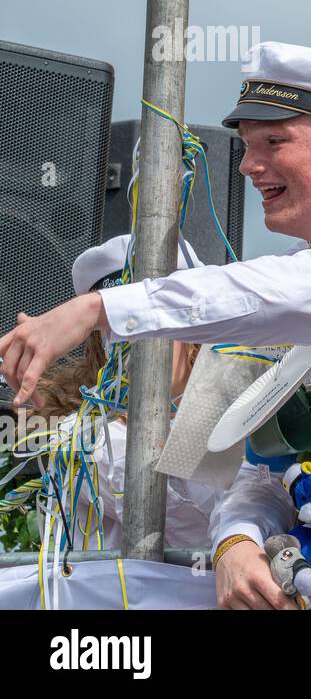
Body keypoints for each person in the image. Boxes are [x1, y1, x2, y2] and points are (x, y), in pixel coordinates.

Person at [0, 41, 311, 608]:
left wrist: (96, 309)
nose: (248, 165)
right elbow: (254, 469)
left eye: (273, 142)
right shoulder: (296, 285)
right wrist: (238, 538)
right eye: (247, 146)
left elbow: (288, 291)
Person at [27, 236, 222, 551]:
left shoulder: (241, 411)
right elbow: (185, 519)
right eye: (118, 329)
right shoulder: (84, 436)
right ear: (100, 345)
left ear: (193, 331)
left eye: (151, 324)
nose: (135, 344)